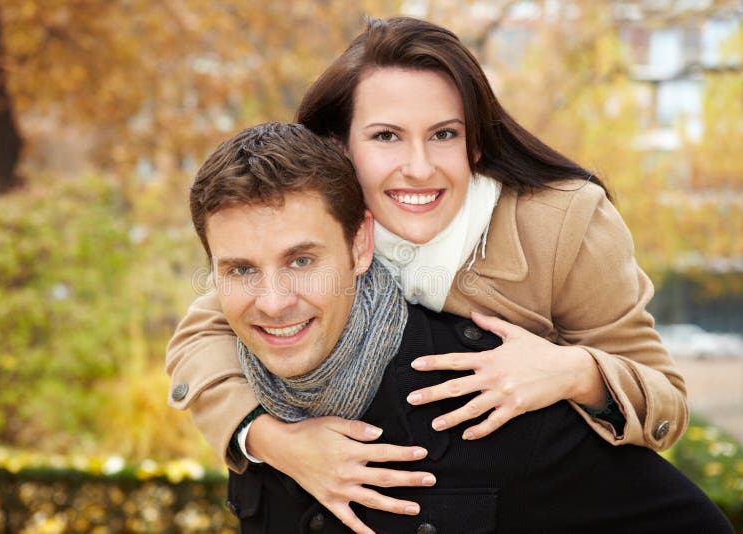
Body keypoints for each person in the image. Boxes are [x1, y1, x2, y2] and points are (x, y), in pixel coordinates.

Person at [166, 16, 688, 531]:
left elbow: (665, 401)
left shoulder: (563, 222)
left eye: (443, 134)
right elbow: (204, 334)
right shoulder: (319, 218)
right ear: (340, 146)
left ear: (475, 144)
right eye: (387, 136)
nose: (418, 167)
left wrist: (574, 371)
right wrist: (275, 442)